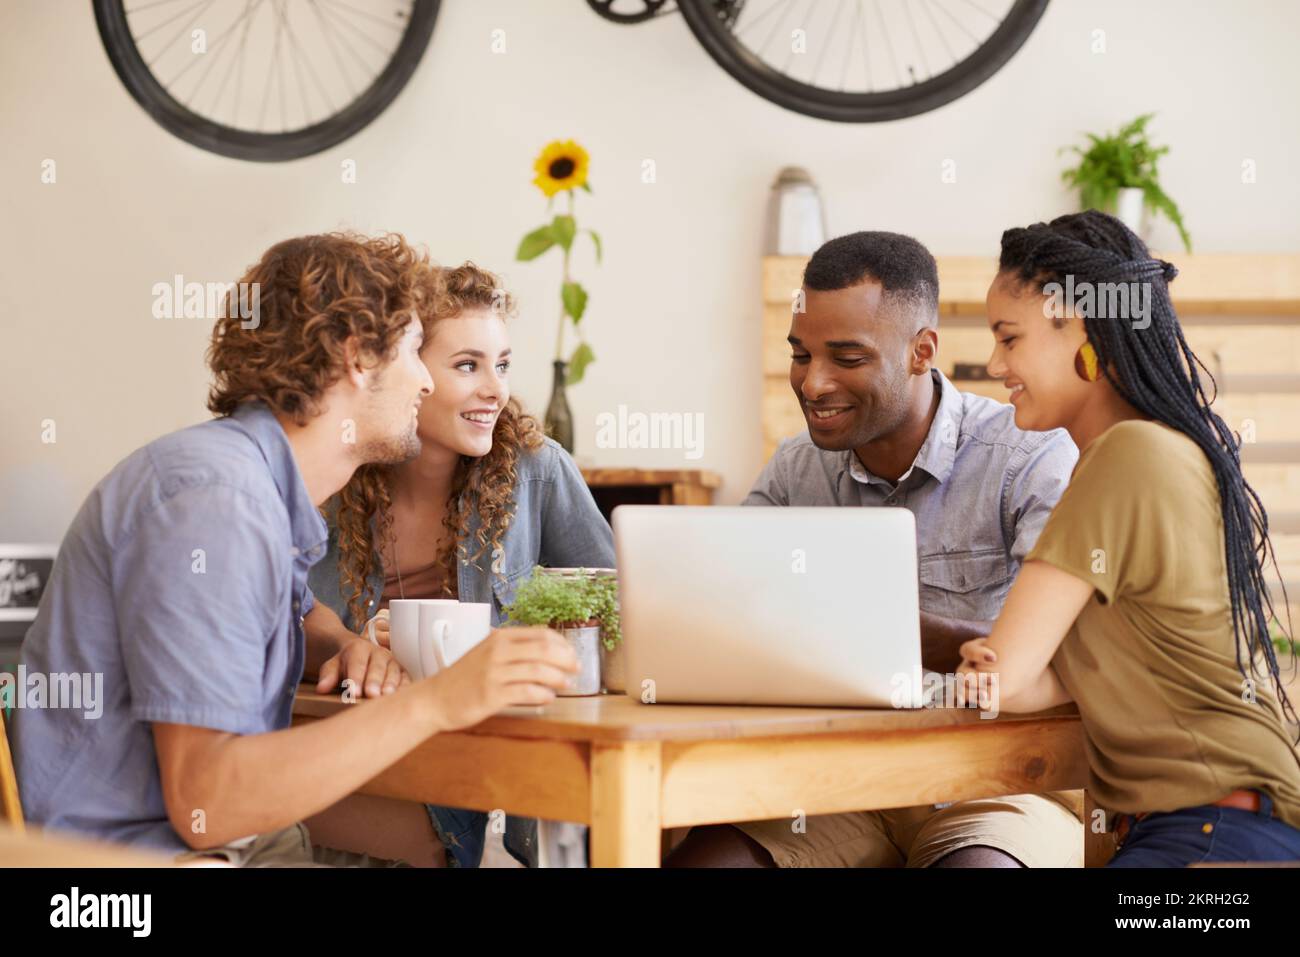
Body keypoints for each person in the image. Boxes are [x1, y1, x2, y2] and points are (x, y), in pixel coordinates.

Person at [12, 232, 578, 866]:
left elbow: (292, 614)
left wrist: (343, 644)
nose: (424, 382)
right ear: (356, 356)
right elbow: (209, 802)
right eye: (416, 351)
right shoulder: (214, 505)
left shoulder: (253, 486)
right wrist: (438, 701)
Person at [665, 231, 1082, 868]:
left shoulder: (1027, 459)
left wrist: (881, 632)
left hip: (997, 785)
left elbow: (1062, 656)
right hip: (839, 791)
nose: (813, 382)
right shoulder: (795, 470)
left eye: (847, 357)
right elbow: (731, 612)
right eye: (801, 355)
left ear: (921, 351)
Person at [956, 210, 1300, 867]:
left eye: (1009, 337)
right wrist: (994, 668)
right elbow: (1046, 680)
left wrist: (977, 661)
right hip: (1215, 827)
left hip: (1214, 834)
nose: (996, 363)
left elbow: (1004, 678)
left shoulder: (1129, 455)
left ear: (1083, 329)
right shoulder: (1148, 452)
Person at [304, 262, 614, 867]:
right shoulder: (333, 471)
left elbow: (613, 605)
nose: (495, 389)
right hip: (351, 746)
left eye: (501, 365)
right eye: (466, 365)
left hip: (488, 760)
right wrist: (352, 644)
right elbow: (281, 610)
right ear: (410, 372)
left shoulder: (537, 468)